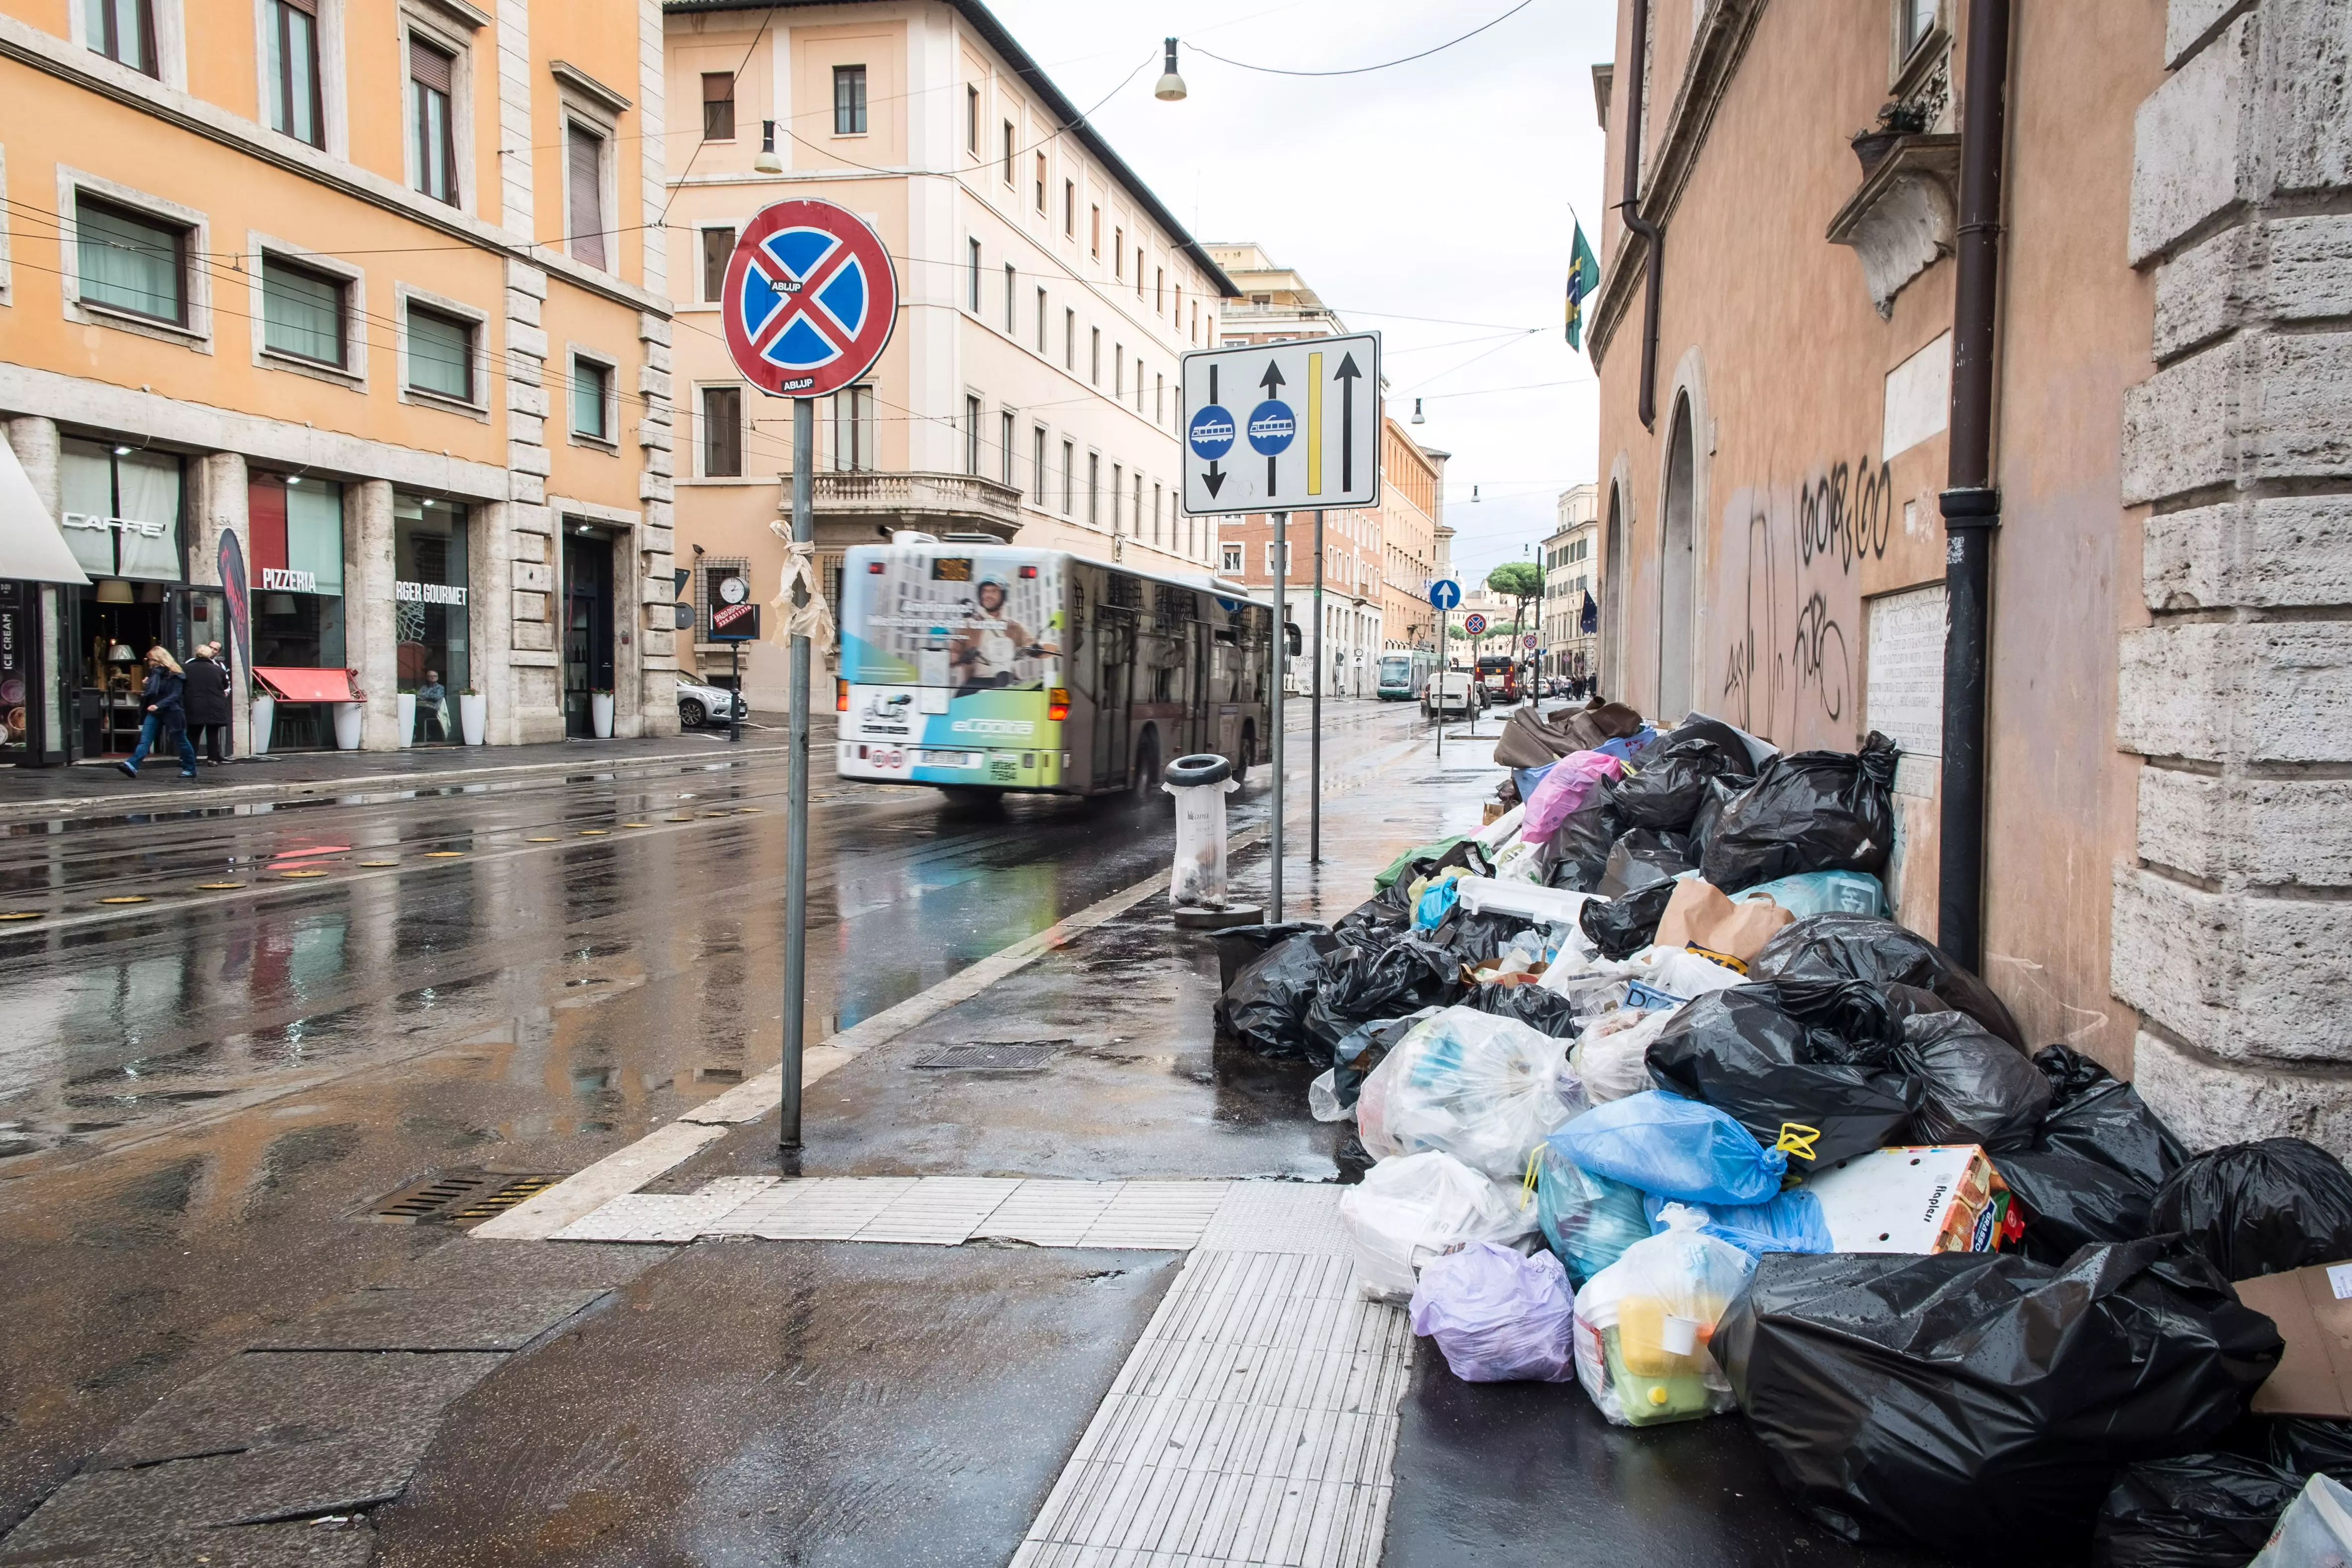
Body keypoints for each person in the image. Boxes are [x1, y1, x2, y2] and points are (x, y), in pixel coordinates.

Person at [947, 575, 1056, 692]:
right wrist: (961, 657)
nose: (988, 595)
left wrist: (1040, 647)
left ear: (1003, 596)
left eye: (994, 591)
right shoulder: (968, 625)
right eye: (985, 591)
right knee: (958, 705)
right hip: (977, 682)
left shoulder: (1014, 626)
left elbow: (1030, 641)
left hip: (1007, 680)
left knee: (1035, 695)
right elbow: (953, 653)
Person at [118, 646, 197, 780]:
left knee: (181, 741)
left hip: (172, 711)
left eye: (152, 660)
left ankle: (190, 768)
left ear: (160, 660)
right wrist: (148, 684)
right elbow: (155, 692)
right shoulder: (155, 675)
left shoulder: (177, 675)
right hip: (155, 711)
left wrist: (158, 705)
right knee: (145, 740)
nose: (150, 664)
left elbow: (175, 695)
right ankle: (131, 765)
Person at [182, 641, 232, 764]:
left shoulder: (186, 668)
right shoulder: (218, 670)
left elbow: (181, 684)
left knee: (193, 732)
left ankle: (190, 758)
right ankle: (212, 758)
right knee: (213, 732)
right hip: (214, 703)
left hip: (195, 703)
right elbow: (226, 685)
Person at [415, 669, 447, 743]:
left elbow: (436, 697)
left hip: (433, 709)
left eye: (434, 676)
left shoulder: (440, 688)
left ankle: (423, 736)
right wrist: (428, 697)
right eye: (430, 676)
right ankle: (420, 735)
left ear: (437, 678)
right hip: (422, 707)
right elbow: (418, 697)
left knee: (420, 718)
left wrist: (425, 697)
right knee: (413, 715)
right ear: (427, 678)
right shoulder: (424, 688)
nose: (432, 678)